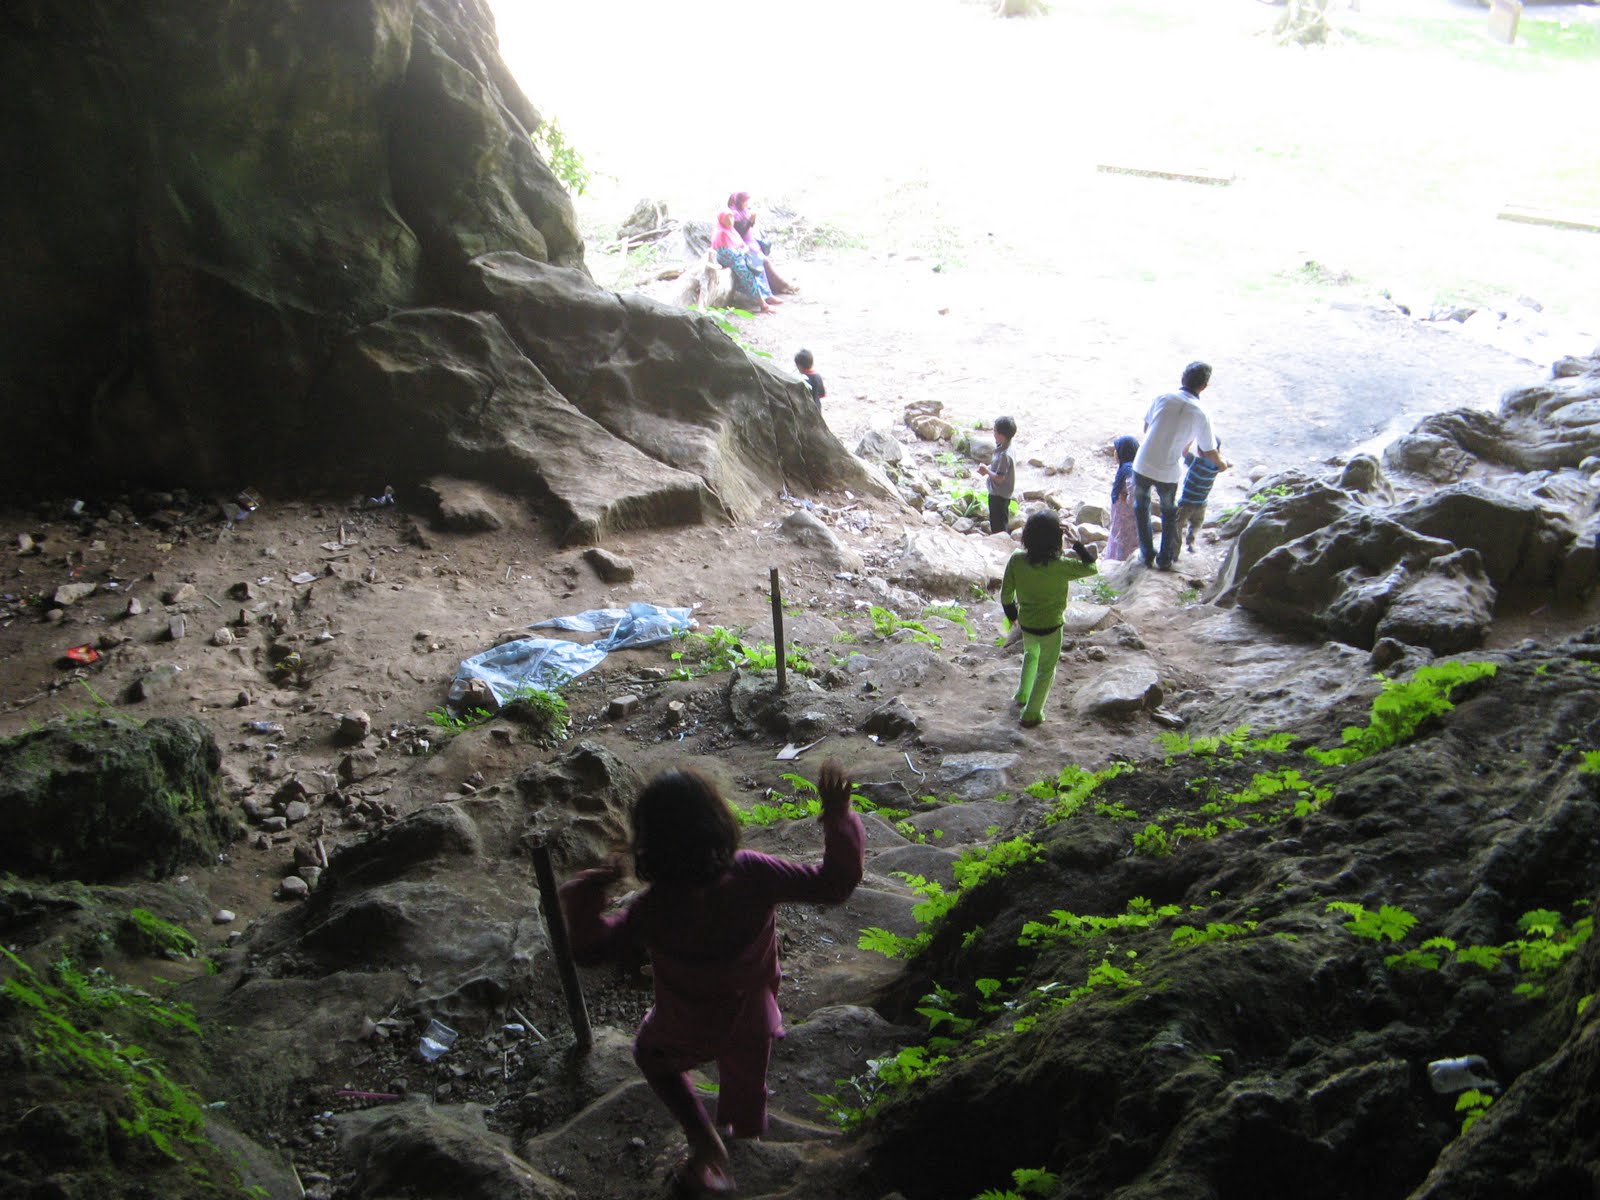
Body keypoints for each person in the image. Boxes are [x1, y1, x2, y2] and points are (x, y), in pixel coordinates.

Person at [560, 761, 865, 1196]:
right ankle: (742, 1146)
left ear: (649, 846)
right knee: (746, 1085)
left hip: (685, 1022)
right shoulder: (754, 874)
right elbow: (834, 884)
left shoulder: (653, 909)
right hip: (751, 1018)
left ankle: (704, 1140)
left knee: (651, 1055)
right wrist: (837, 815)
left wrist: (586, 895)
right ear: (718, 822)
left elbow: (590, 950)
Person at [1001, 511, 1098, 728]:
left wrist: (1012, 618)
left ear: (1026, 536)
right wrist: (1077, 544)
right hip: (1052, 626)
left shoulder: (1016, 560)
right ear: (1057, 539)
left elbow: (1006, 595)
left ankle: (1022, 694)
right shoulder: (1062, 566)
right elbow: (1092, 567)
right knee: (1046, 670)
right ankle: (1031, 713)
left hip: (1026, 624)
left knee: (1030, 655)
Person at [1131, 362, 1227, 570]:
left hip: (1143, 463)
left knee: (1141, 507)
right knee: (1168, 512)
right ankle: (1165, 559)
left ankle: (1146, 554)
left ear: (1182, 377)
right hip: (1168, 470)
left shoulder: (1163, 397)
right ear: (1204, 387)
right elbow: (1208, 450)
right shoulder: (1202, 414)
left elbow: (1147, 427)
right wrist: (1222, 464)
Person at [710, 209, 777, 314]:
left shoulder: (731, 230)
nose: (731, 220)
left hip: (738, 256)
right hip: (733, 260)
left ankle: (767, 295)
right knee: (747, 275)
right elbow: (729, 255)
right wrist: (742, 251)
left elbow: (742, 244)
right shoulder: (721, 233)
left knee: (758, 266)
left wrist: (744, 250)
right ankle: (763, 305)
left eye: (732, 217)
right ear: (722, 220)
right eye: (727, 218)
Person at [728, 191, 795, 295]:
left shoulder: (744, 210)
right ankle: (783, 286)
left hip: (751, 242)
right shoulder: (734, 214)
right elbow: (739, 233)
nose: (747, 204)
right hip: (743, 245)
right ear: (739, 201)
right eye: (745, 201)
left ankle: (778, 286)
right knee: (764, 262)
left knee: (765, 261)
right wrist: (750, 222)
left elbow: (749, 227)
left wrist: (752, 221)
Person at [1173, 438, 1225, 559]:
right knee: (1196, 524)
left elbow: (1184, 452)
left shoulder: (1195, 461)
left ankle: (1175, 551)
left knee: (1177, 524)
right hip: (1202, 503)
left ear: (1200, 451)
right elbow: (1227, 463)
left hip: (1186, 502)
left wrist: (1190, 438)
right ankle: (1191, 542)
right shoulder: (1217, 466)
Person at [977, 416, 1017, 536]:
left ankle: (999, 541)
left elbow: (1000, 478)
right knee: (1001, 519)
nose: (993, 433)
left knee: (997, 523)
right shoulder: (1008, 446)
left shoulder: (1004, 455)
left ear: (1001, 435)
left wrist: (987, 471)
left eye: (994, 431)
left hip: (998, 495)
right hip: (1003, 494)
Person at [1103, 435, 1140, 562]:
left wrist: (1127, 499)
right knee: (1119, 538)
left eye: (1117, 450)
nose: (1115, 453)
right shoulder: (1132, 466)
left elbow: (1135, 493)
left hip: (1126, 519)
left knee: (1123, 542)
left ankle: (1119, 564)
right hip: (1124, 518)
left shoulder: (1128, 469)